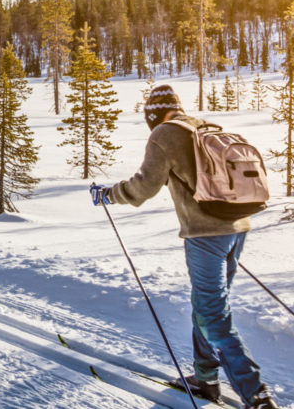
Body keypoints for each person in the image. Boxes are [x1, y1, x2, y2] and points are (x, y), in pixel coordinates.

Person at [90, 84, 279, 409]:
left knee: (212, 315)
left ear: (153, 114)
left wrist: (108, 194)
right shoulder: (202, 126)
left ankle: (256, 394)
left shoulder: (165, 134)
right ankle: (205, 378)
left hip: (206, 235)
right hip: (237, 227)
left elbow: (143, 188)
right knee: (206, 308)